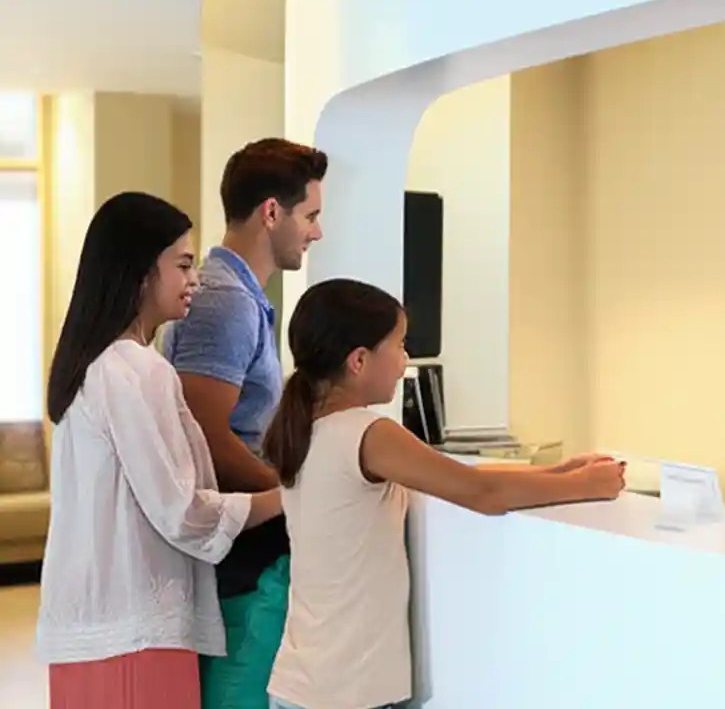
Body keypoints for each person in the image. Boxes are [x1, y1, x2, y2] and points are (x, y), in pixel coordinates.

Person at [262, 278, 626, 709]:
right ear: (359, 360)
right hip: (345, 694)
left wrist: (554, 470)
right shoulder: (366, 433)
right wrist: (584, 486)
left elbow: (449, 475)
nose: (405, 360)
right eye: (398, 345)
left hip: (301, 686)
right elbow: (480, 491)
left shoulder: (307, 430)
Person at [35, 192, 282, 709]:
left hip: (90, 629)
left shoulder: (95, 367)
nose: (194, 280)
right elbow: (182, 510)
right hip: (138, 630)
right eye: (184, 265)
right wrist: (281, 499)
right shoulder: (137, 370)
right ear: (141, 273)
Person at [159, 138, 328, 706]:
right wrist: (288, 497)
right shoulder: (226, 300)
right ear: (272, 213)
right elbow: (205, 437)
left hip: (243, 538)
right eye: (311, 215)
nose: (316, 232)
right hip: (238, 544)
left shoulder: (237, 297)